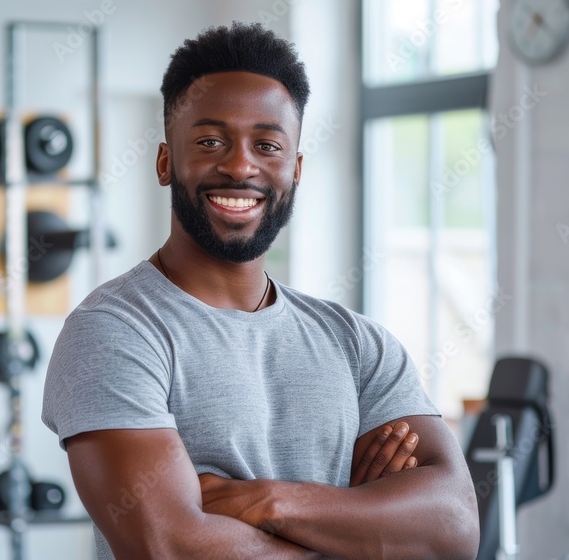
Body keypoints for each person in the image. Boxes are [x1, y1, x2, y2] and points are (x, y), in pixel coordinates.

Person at [42, 22, 480, 559]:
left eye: (267, 145)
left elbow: (454, 531)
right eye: (210, 141)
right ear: (164, 162)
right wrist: (361, 527)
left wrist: (269, 501)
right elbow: (170, 547)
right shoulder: (113, 332)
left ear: (295, 170)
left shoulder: (358, 344)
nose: (240, 165)